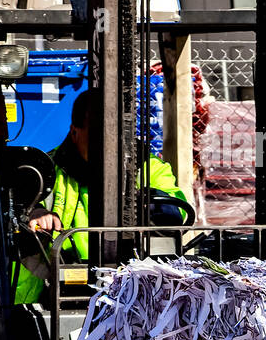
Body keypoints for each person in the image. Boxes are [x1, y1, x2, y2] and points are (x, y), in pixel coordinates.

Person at [13, 92, 192, 303]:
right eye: (97, 133)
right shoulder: (48, 170)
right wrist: (37, 213)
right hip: (58, 282)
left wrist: (153, 204)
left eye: (116, 133)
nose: (108, 144)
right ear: (74, 132)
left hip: (134, 282)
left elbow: (175, 207)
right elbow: (21, 205)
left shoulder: (148, 166)